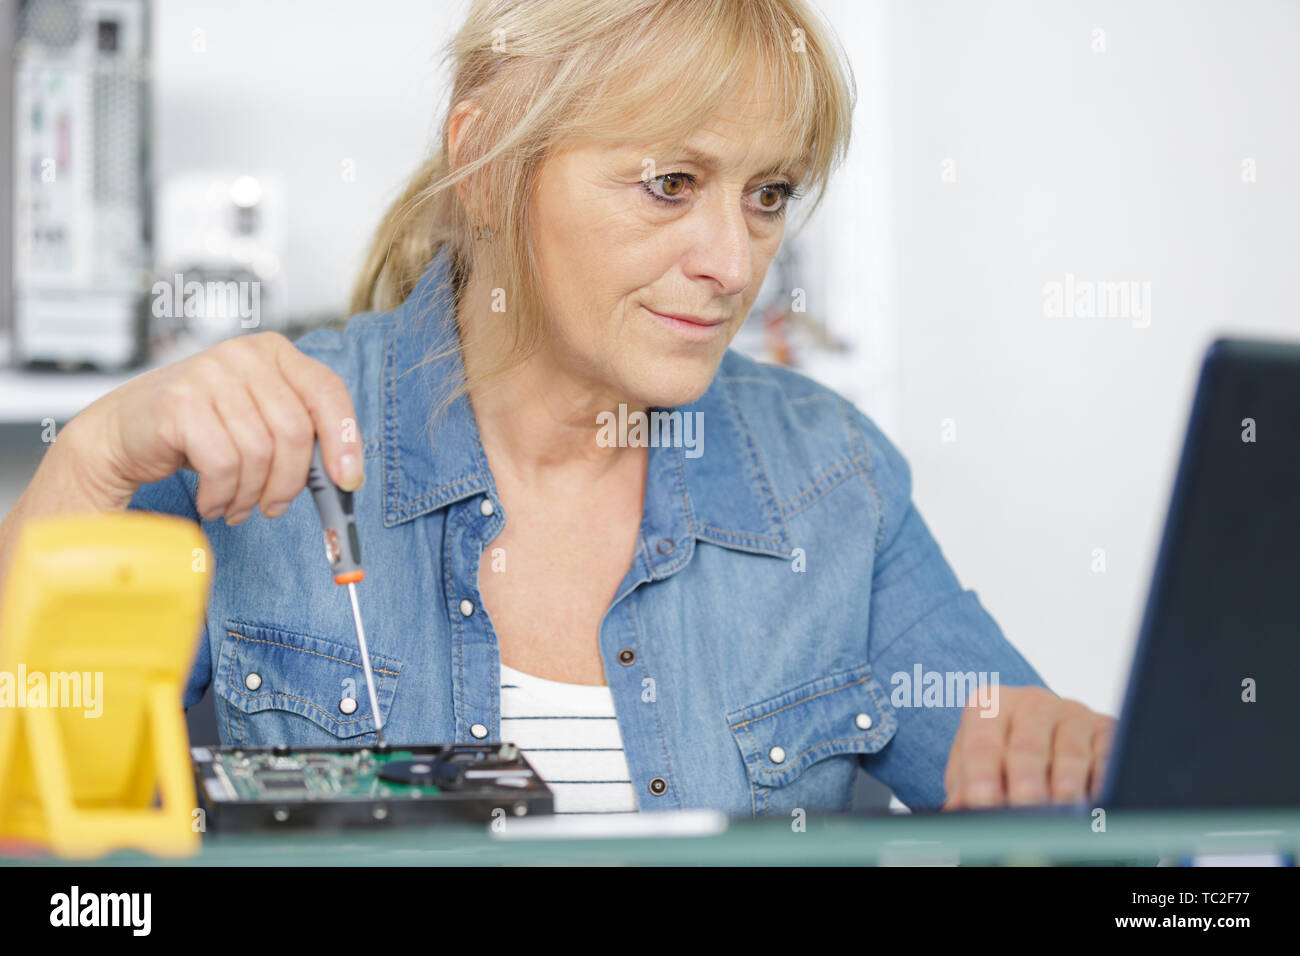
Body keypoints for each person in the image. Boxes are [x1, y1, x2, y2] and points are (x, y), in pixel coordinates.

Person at [0, 0, 1113, 816]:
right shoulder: (258, 452)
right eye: (670, 184)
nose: (732, 263)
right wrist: (92, 458)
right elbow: (33, 794)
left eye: (766, 195)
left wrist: (1087, 773)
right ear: (484, 165)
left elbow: (1044, 784)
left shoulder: (829, 482)